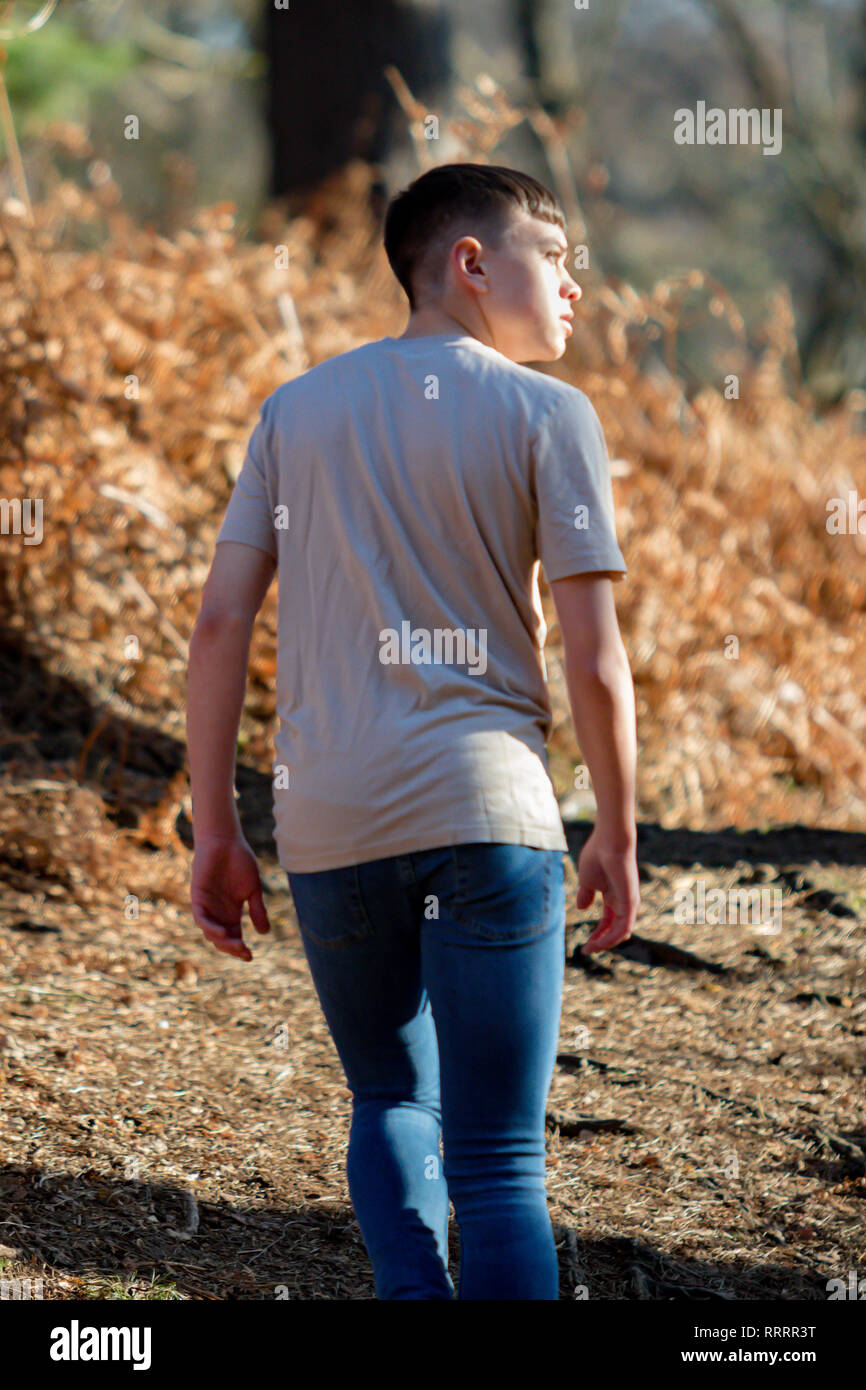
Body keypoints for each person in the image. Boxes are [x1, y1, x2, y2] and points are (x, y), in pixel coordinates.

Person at [186, 163, 640, 1300]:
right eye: (555, 254)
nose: (577, 286)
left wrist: (216, 831)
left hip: (329, 819)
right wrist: (619, 832)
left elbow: (217, 622)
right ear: (470, 264)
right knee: (495, 1158)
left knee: (391, 1099)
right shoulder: (549, 415)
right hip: (488, 812)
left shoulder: (297, 409)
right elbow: (592, 656)